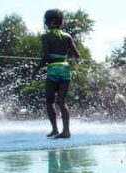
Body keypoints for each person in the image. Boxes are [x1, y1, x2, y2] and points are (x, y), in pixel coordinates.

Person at [33, 10, 81, 139]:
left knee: (50, 101)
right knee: (62, 101)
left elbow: (47, 56)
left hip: (53, 70)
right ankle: (66, 131)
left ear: (51, 22)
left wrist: (36, 69)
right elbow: (77, 56)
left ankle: (55, 130)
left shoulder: (46, 37)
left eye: (47, 21)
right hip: (66, 69)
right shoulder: (68, 37)